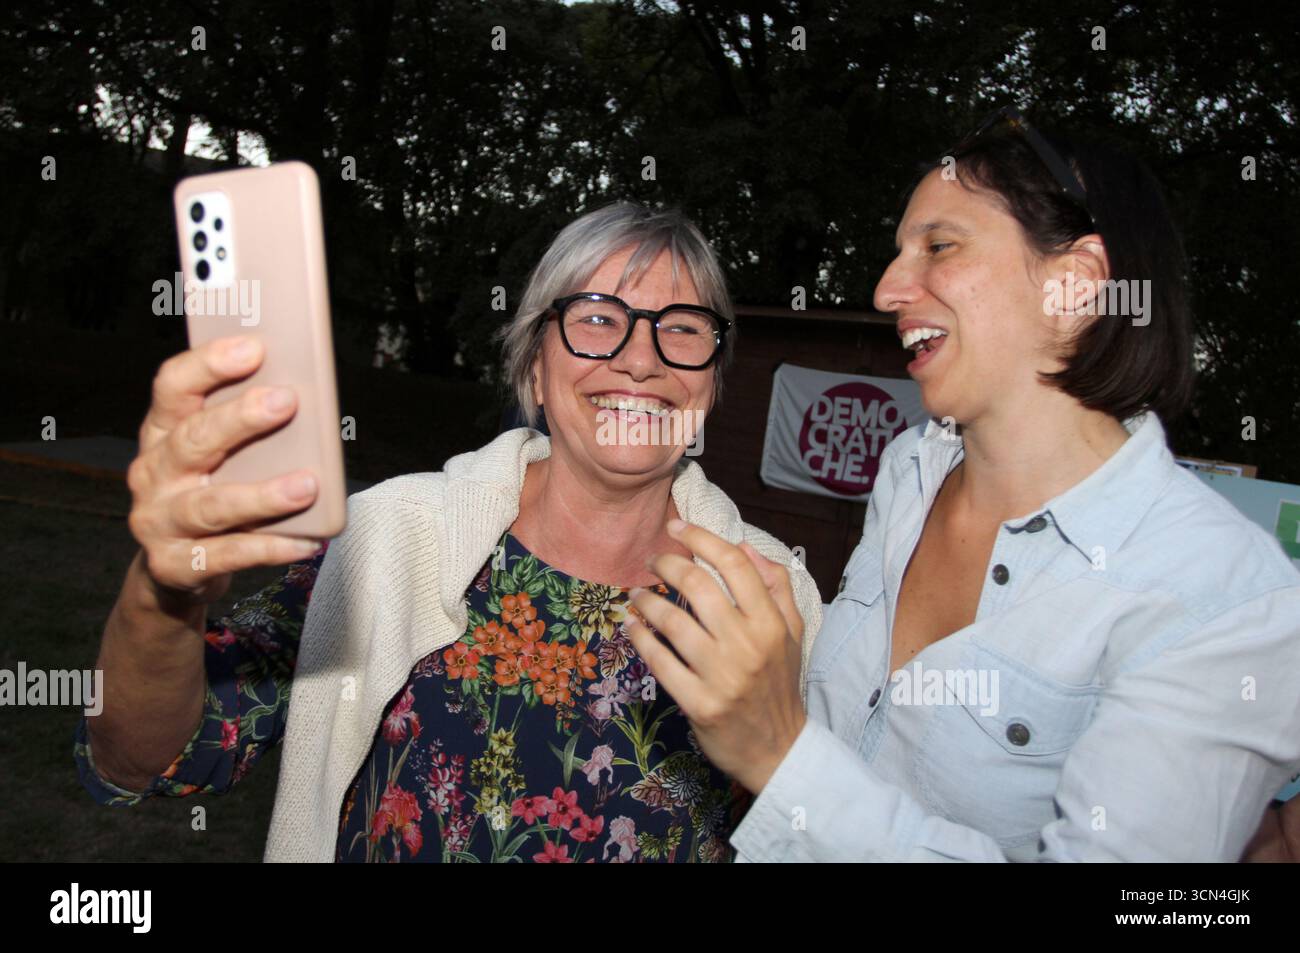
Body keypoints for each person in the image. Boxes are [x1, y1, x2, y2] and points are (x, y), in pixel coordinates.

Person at [625, 107, 1300, 861]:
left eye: (939, 246)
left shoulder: (1226, 598)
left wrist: (780, 756)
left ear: (1074, 286)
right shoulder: (909, 470)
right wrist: (781, 671)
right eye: (896, 251)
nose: (886, 290)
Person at [75, 201, 823, 863]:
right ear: (533, 367)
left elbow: (820, 833)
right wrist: (159, 598)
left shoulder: (771, 598)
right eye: (598, 316)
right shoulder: (392, 540)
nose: (638, 358)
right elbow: (149, 757)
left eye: (683, 329)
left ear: (713, 381)